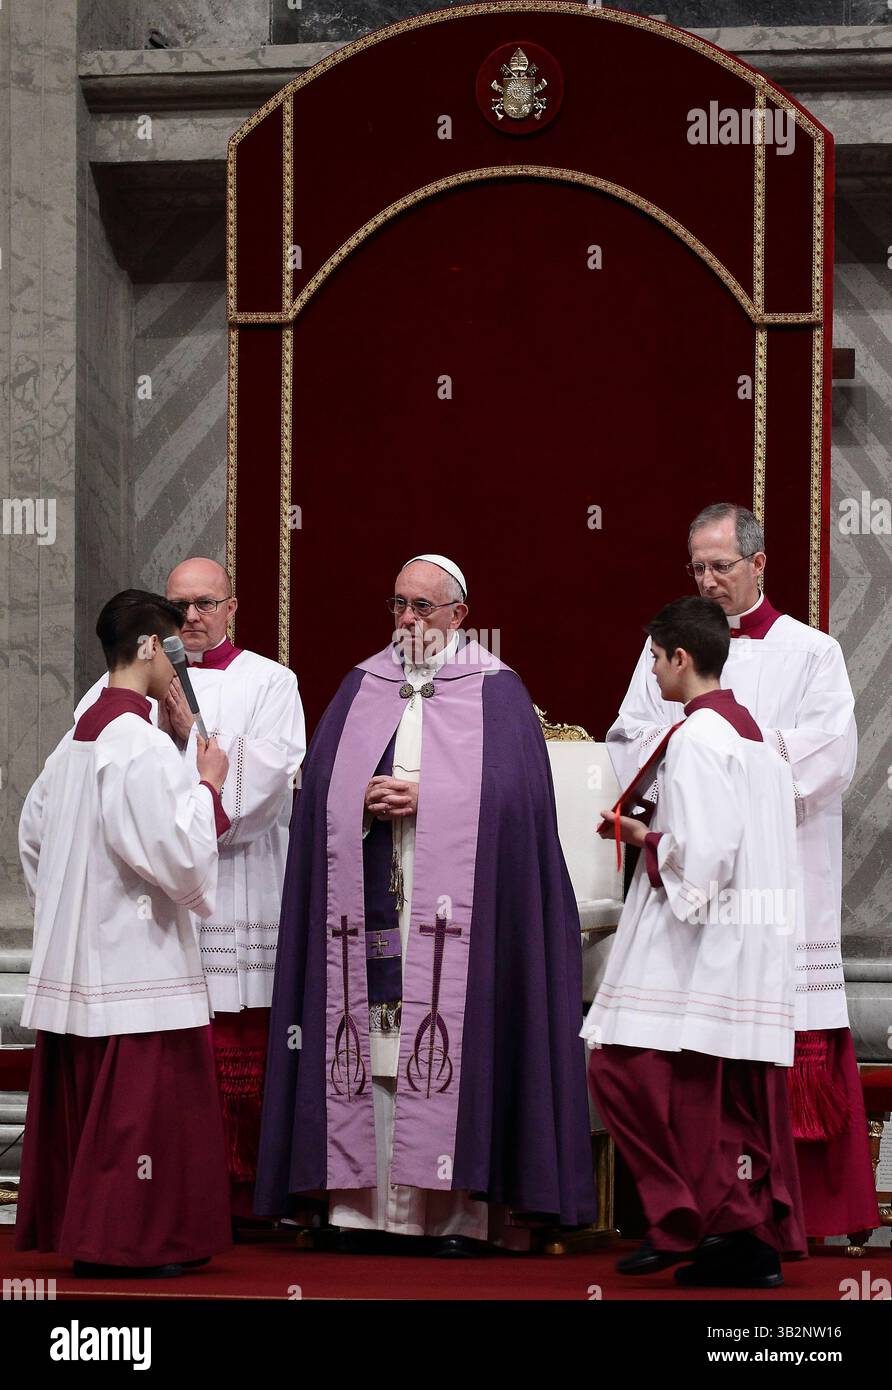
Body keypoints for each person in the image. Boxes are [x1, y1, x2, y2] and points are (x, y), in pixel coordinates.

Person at [255, 554, 596, 1252]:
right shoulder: (361, 686)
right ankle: (359, 1209)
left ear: (460, 617)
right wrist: (360, 801)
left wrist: (429, 801)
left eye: (423, 607)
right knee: (375, 1041)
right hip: (374, 902)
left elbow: (521, 806)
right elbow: (316, 791)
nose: (407, 619)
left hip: (458, 914)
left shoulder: (496, 691)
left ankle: (455, 1216)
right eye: (398, 605)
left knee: (444, 1037)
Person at [606, 503, 878, 1242]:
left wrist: (735, 763)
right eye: (698, 567)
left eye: (721, 565)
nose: (708, 579)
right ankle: (710, 1213)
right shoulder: (671, 646)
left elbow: (832, 751)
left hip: (779, 869)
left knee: (779, 1035)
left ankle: (801, 1214)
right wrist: (695, 776)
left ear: (760, 564)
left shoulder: (811, 651)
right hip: (695, 863)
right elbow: (630, 735)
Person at [74, 557, 306, 1232]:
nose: (193, 617)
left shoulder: (271, 680)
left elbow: (271, 776)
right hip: (151, 897)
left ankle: (251, 1196)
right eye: (180, 606)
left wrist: (189, 746)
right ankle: (176, 1189)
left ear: (234, 607)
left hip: (241, 885)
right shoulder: (118, 687)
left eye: (207, 603)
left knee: (242, 1036)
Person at [583, 595, 806, 1288]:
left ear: (682, 657)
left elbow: (704, 862)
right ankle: (733, 1238)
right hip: (750, 943)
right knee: (723, 1101)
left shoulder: (701, 739)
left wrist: (644, 839)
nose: (650, 672)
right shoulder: (758, 741)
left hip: (698, 944)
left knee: (622, 1069)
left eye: (654, 658)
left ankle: (689, 1217)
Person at [16, 590, 232, 1277]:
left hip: (89, 955)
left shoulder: (80, 735)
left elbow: (33, 833)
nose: (179, 669)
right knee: (141, 1111)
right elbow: (173, 854)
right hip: (138, 962)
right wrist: (206, 786)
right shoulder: (133, 742)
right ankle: (131, 1243)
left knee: (106, 1106)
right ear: (147, 647)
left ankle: (97, 1234)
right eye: (173, 653)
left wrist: (66, 915)